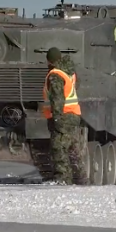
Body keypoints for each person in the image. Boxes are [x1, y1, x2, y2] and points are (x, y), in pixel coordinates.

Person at [41, 47, 82, 184]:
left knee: (58, 147)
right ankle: (78, 178)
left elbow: (57, 98)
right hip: (73, 113)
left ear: (49, 60)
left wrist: (57, 118)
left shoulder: (55, 75)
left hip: (63, 115)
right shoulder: (69, 71)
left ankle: (63, 179)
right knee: (71, 148)